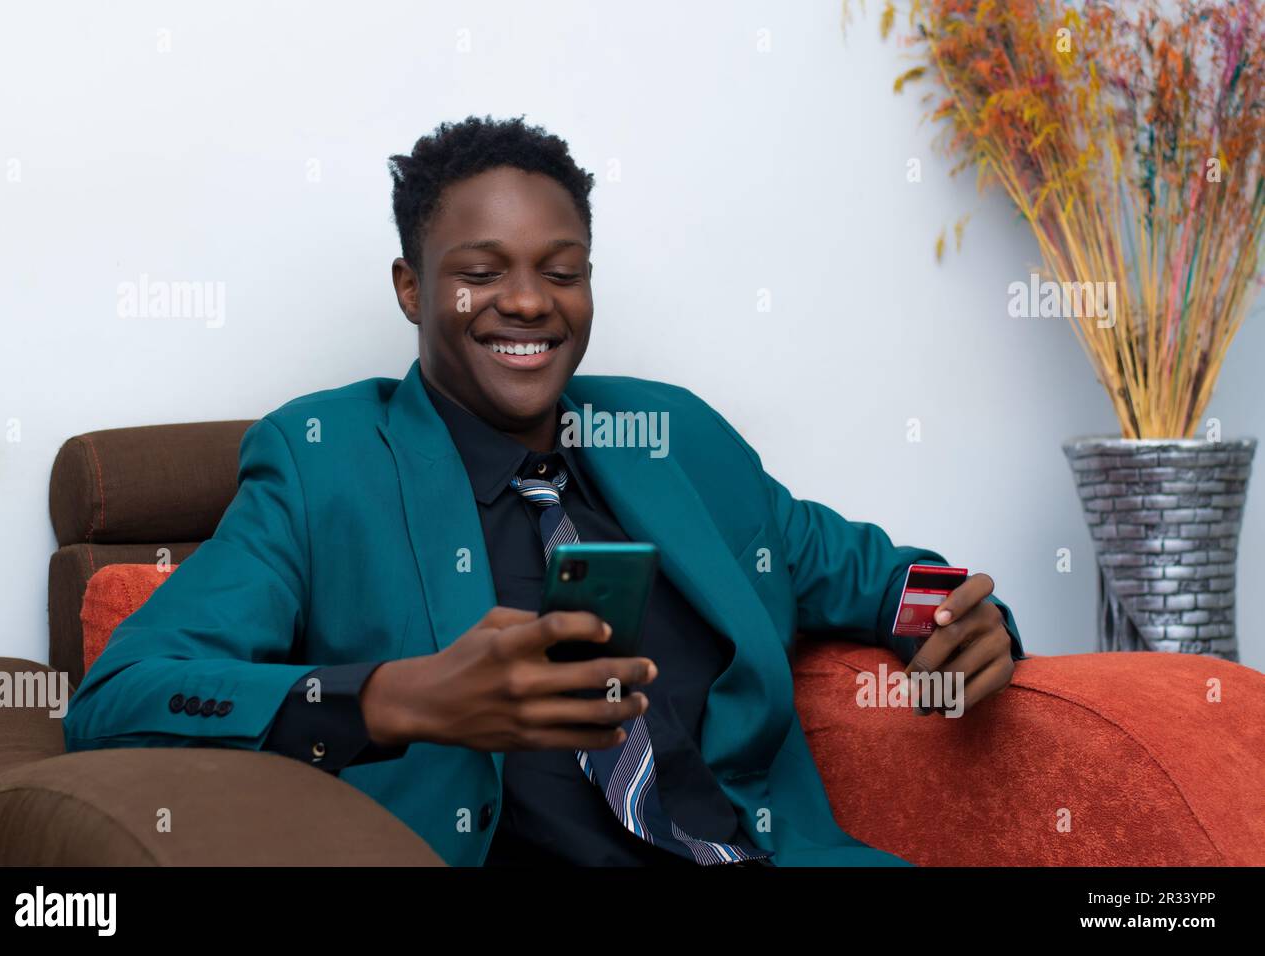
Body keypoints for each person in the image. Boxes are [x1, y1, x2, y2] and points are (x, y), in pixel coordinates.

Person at [64, 115, 1024, 867]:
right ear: (411, 287)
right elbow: (121, 696)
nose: (528, 302)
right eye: (480, 273)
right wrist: (400, 700)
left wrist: (959, 615)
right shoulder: (324, 464)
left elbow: (864, 571)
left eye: (560, 272)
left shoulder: (671, 436)